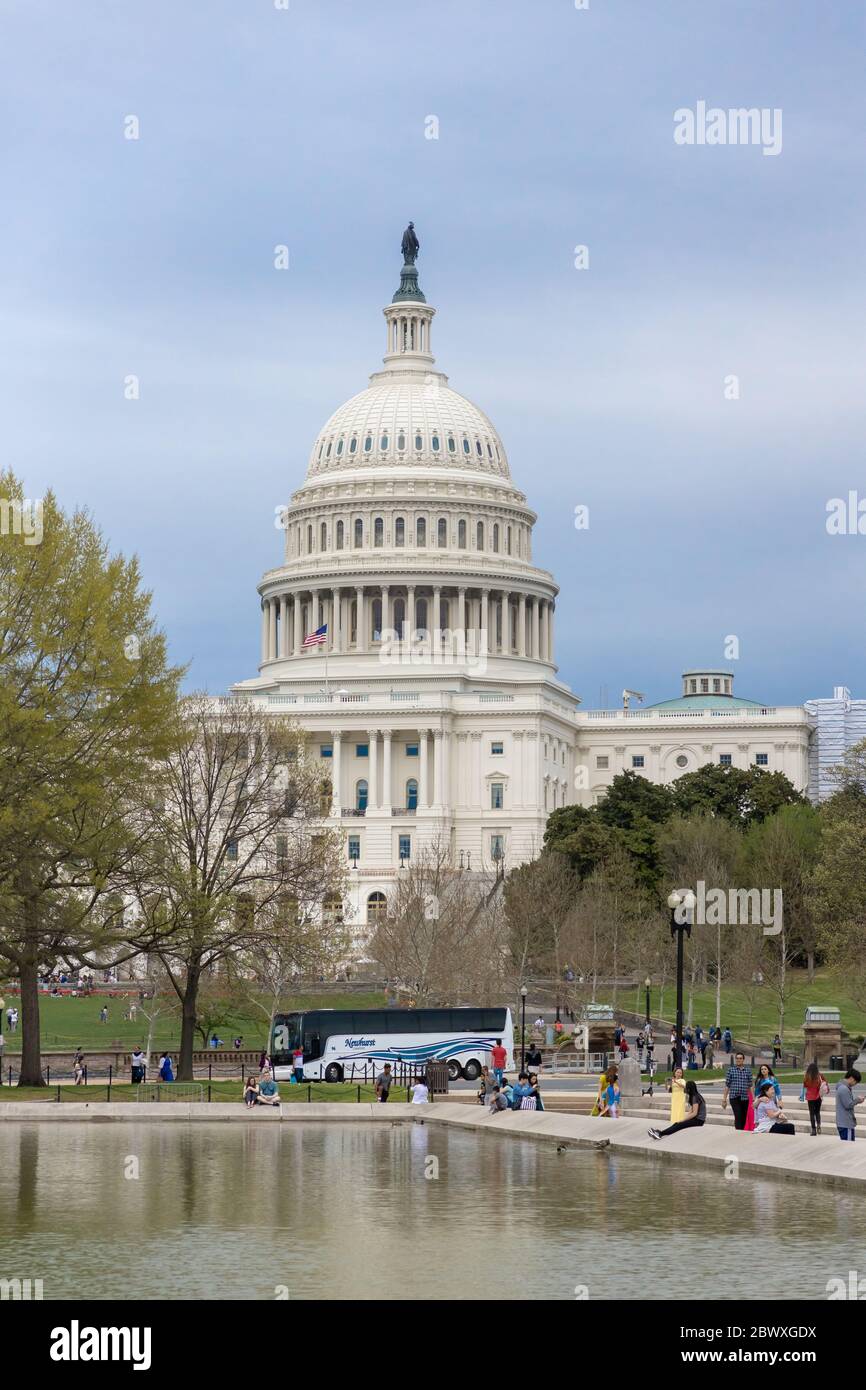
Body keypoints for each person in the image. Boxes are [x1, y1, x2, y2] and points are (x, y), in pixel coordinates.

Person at [722, 1052, 753, 1130]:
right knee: (738, 1115)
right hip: (734, 1097)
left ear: (743, 1060)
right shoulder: (731, 1070)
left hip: (745, 1098)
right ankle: (738, 1131)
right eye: (737, 1058)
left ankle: (742, 1131)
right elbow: (727, 1085)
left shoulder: (748, 1071)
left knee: (744, 1116)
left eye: (740, 1058)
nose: (738, 1060)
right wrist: (724, 1099)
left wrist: (753, 1098)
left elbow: (750, 1085)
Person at [836, 1069, 865, 1141]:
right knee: (848, 1145)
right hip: (846, 1123)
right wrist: (857, 1100)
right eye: (855, 1082)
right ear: (851, 1078)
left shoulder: (842, 1087)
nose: (855, 1084)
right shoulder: (844, 1089)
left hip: (844, 1123)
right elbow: (848, 1105)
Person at [802, 1060, 828, 1137]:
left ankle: (813, 1129)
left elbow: (805, 1085)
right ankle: (819, 1125)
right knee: (817, 1112)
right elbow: (825, 1083)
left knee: (811, 1113)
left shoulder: (807, 1076)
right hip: (818, 1096)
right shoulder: (820, 1075)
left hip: (810, 1097)